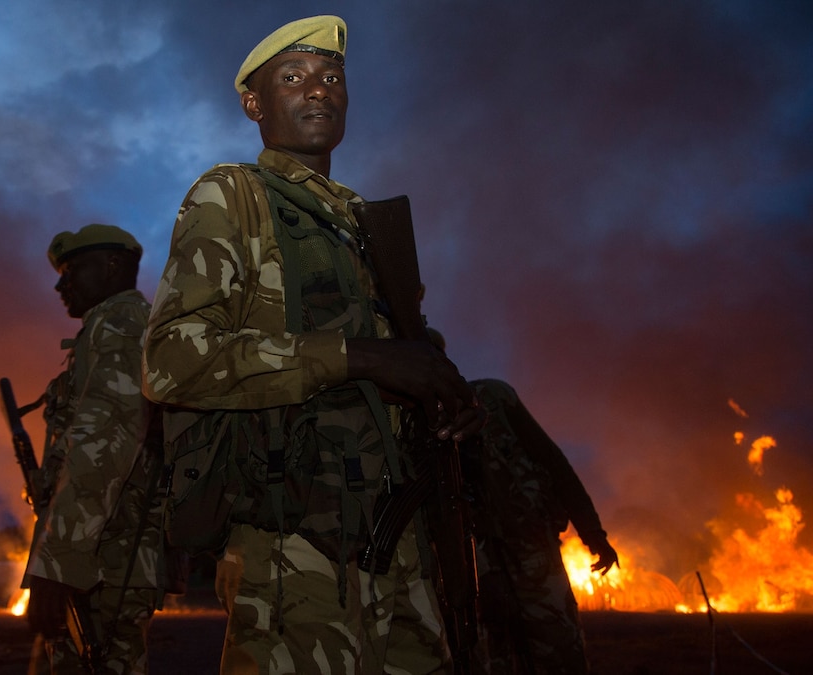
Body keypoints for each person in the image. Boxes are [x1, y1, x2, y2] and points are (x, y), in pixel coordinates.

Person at [142, 16, 482, 674]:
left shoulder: (363, 221)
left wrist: (443, 398)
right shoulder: (233, 195)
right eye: (293, 78)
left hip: (398, 539)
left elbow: (398, 362)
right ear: (255, 105)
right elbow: (172, 361)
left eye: (332, 78)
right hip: (293, 542)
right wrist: (356, 356)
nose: (319, 89)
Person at [429, 327, 619, 675]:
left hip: (532, 554)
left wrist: (593, 534)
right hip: (474, 569)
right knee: (488, 658)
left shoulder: (494, 399)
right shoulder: (416, 426)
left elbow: (554, 463)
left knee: (559, 654)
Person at [24, 223, 162, 675]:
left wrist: (58, 563)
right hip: (101, 554)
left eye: (72, 271)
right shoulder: (107, 327)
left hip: (104, 560)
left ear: (113, 265)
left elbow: (104, 445)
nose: (60, 285)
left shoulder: (122, 323)